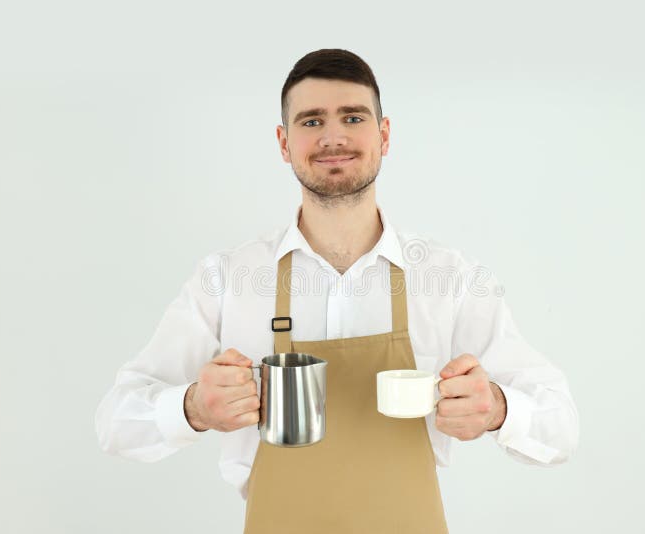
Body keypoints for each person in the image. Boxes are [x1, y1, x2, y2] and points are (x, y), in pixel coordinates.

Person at [95, 48, 579, 533]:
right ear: (284, 143)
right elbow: (115, 422)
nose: (333, 136)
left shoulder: (449, 278)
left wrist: (497, 408)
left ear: (384, 135)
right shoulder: (228, 277)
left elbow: (561, 426)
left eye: (352, 116)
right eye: (310, 121)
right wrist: (194, 407)